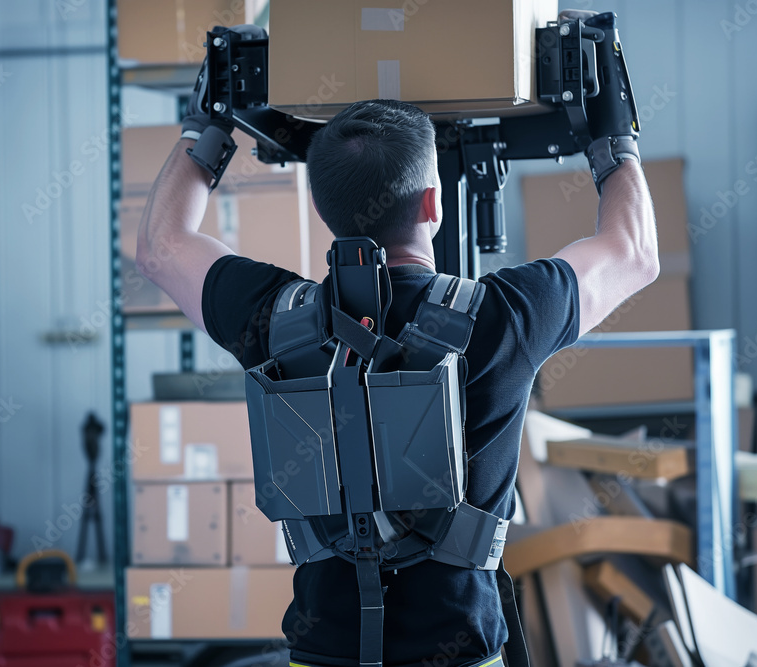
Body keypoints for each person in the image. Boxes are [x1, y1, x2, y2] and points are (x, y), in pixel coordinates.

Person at [136, 23, 658, 667]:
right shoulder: (502, 317)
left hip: (321, 654)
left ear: (323, 206)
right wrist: (612, 136)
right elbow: (634, 254)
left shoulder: (273, 318)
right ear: (434, 203)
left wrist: (207, 125)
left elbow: (161, 248)